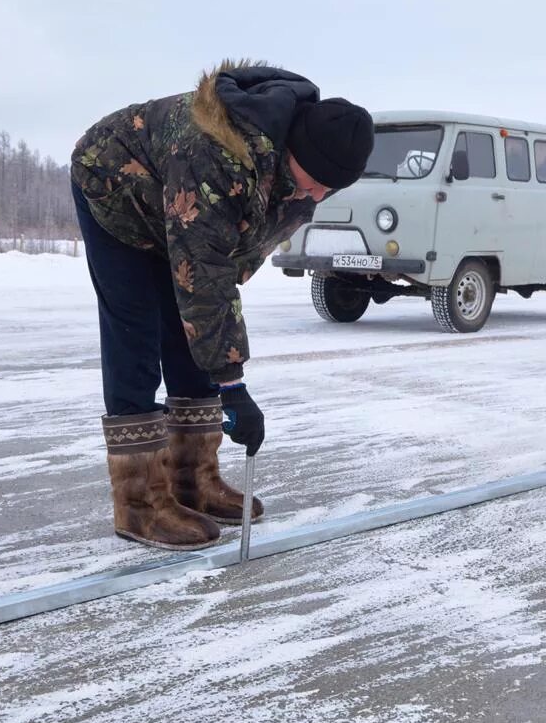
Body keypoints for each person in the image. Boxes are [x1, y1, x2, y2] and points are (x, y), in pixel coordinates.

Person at [70, 60, 373, 550]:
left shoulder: (297, 171)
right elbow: (206, 274)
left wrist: (217, 364)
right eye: (315, 180)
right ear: (294, 149)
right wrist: (232, 384)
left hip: (178, 209)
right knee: (138, 327)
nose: (317, 194)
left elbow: (228, 264)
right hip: (115, 188)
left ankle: (194, 480)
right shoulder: (215, 153)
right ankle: (139, 501)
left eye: (329, 188)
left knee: (186, 324)